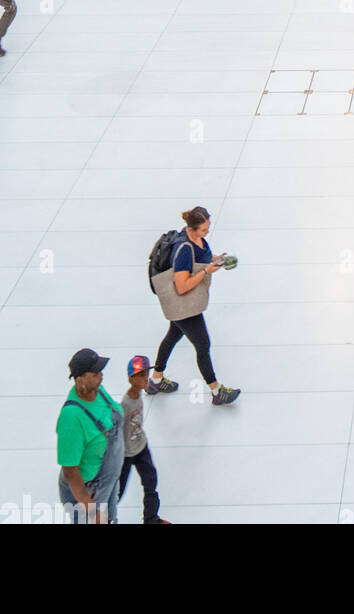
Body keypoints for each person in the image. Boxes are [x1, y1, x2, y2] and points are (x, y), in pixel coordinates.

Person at [148, 206, 241, 406]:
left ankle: (155, 380)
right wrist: (206, 272)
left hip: (180, 307)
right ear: (192, 228)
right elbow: (181, 287)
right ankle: (216, 391)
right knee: (203, 345)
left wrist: (215, 259)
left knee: (172, 336)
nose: (207, 232)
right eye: (204, 230)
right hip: (184, 306)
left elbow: (198, 257)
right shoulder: (183, 251)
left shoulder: (193, 239)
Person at [56, 348, 124, 524]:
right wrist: (92, 512)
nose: (101, 375)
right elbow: (70, 471)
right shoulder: (71, 417)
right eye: (95, 372)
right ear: (80, 380)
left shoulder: (98, 391)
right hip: (88, 492)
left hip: (108, 481)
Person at [118, 357, 170, 524]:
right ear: (131, 379)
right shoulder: (125, 404)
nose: (145, 378)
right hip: (126, 453)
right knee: (118, 491)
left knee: (150, 480)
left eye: (146, 374)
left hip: (141, 447)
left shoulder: (139, 396)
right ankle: (101, 517)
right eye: (141, 375)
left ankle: (151, 519)